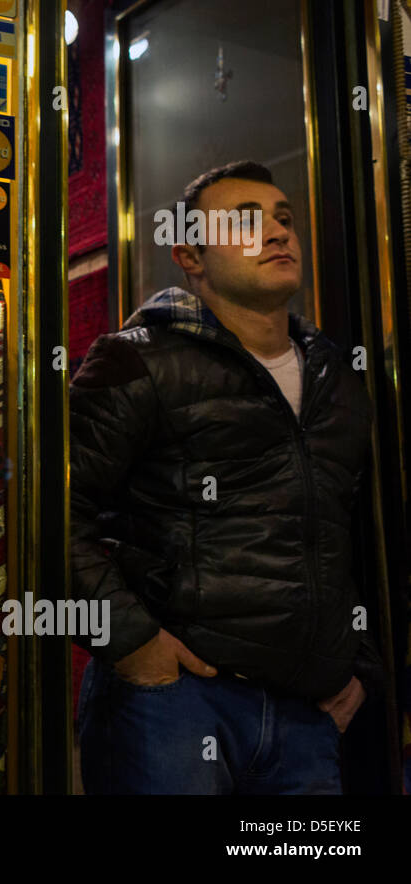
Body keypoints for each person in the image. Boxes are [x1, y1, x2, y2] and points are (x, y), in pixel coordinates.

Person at [70, 160, 383, 794]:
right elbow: (50, 512)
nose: (277, 233)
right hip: (175, 702)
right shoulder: (136, 360)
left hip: (310, 713)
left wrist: (363, 668)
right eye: (246, 222)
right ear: (191, 255)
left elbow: (362, 538)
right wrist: (134, 644)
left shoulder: (337, 379)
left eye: (285, 219)